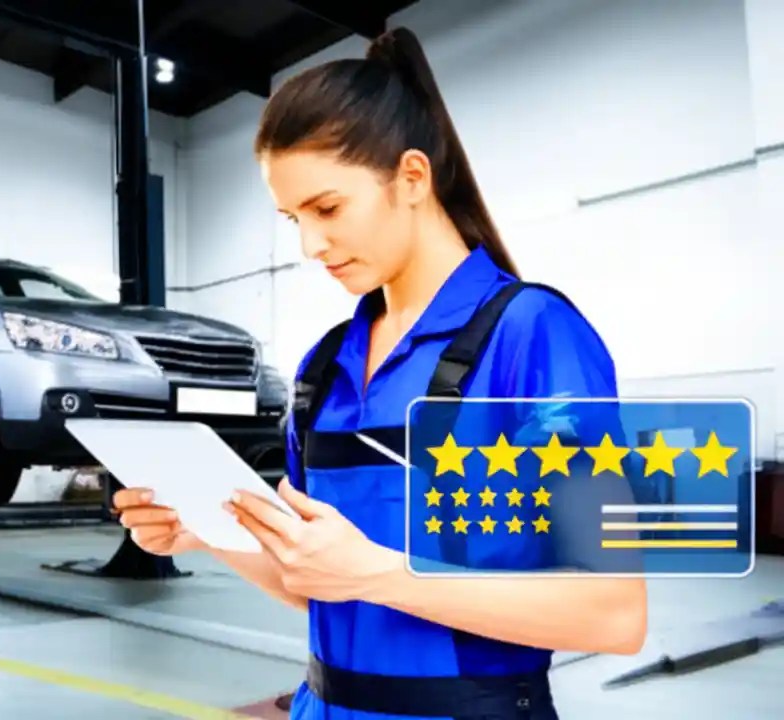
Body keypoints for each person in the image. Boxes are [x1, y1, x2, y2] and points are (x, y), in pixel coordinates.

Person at [112, 26, 647, 720]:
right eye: (292, 217)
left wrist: (381, 573)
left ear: (413, 177)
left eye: (328, 208)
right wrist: (203, 529)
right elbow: (317, 584)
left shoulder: (532, 338)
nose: (309, 244)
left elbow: (613, 613)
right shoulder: (324, 370)